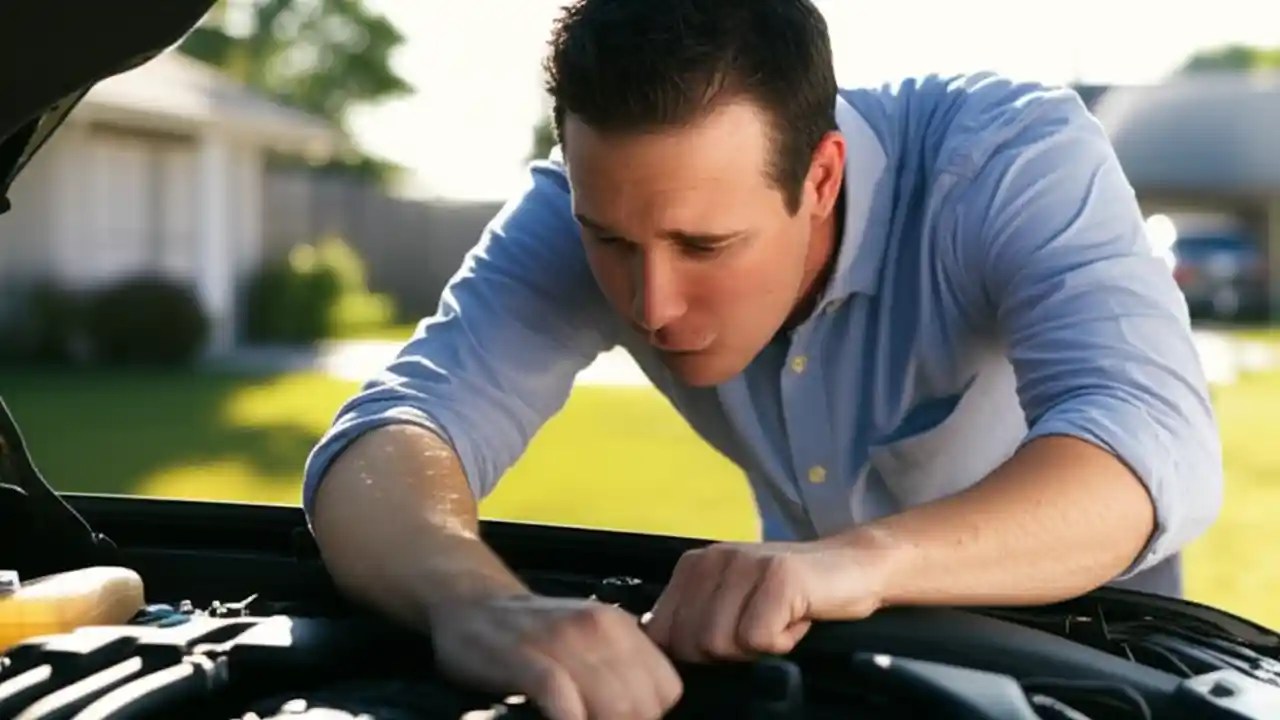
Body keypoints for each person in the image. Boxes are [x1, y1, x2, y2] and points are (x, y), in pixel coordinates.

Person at [302, 0, 1223, 718]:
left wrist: (853, 563)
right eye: (610, 242)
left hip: (1092, 675)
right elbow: (393, 433)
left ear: (820, 178)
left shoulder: (1009, 160)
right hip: (828, 676)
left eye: (705, 246)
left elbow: (1148, 443)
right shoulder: (581, 210)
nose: (651, 304)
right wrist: (475, 604)